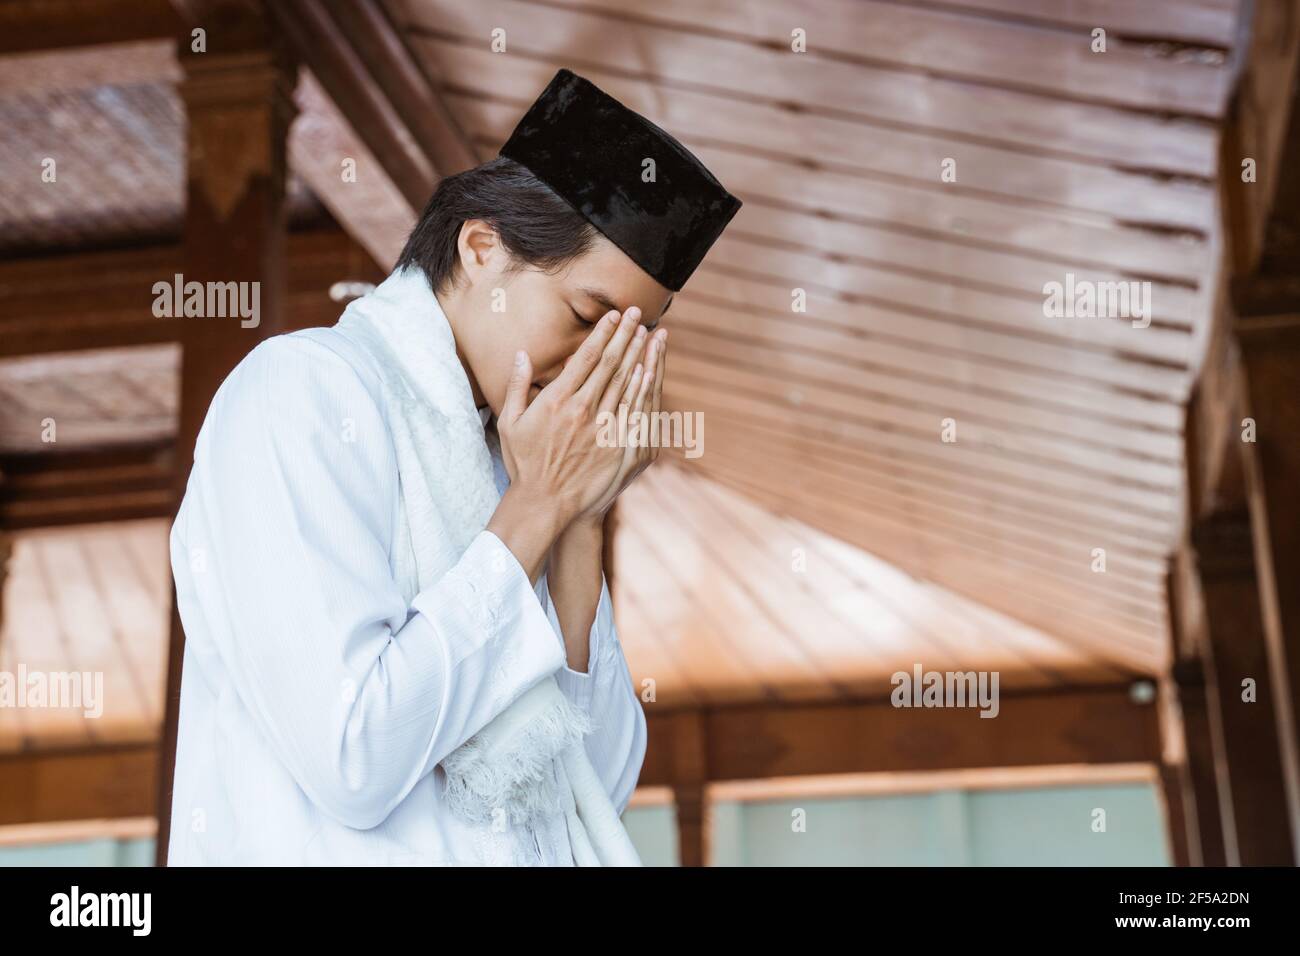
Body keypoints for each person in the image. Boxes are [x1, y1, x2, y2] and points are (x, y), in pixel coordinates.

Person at [166, 69, 741, 865]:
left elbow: (592, 798)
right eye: (585, 319)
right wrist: (535, 509)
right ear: (481, 248)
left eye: (625, 349)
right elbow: (355, 759)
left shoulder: (519, 460)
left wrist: (577, 526)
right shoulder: (301, 392)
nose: (594, 372)